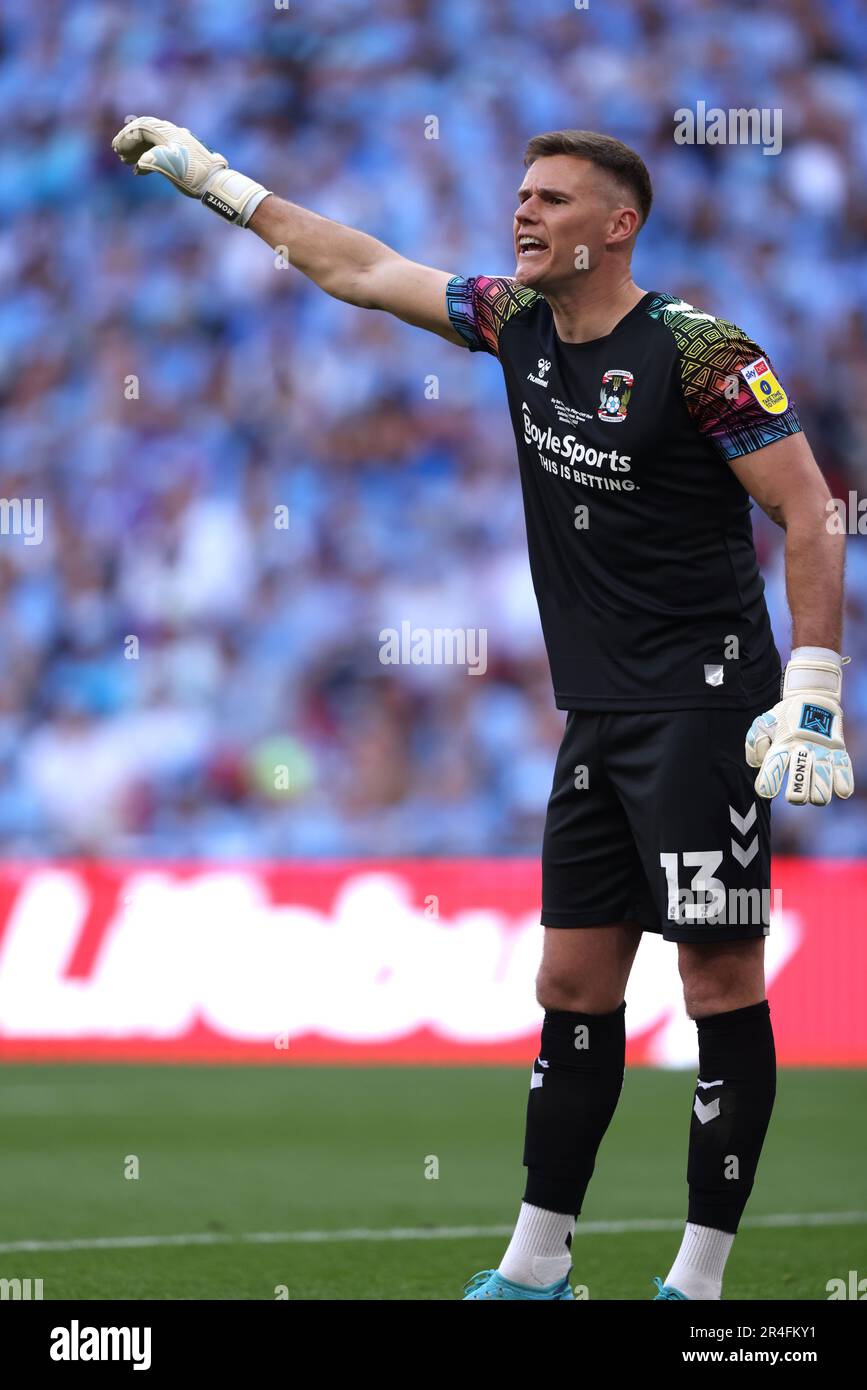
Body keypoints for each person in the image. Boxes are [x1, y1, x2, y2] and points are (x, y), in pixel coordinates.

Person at [111, 118, 854, 1301]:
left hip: (711, 711)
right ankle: (537, 1267)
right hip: (597, 715)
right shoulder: (513, 323)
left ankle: (699, 1283)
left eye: (552, 200)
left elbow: (812, 513)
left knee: (717, 985)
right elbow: (358, 267)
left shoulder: (704, 355)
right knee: (569, 985)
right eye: (521, 195)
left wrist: (814, 686)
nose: (523, 214)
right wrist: (218, 182)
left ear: (618, 227)